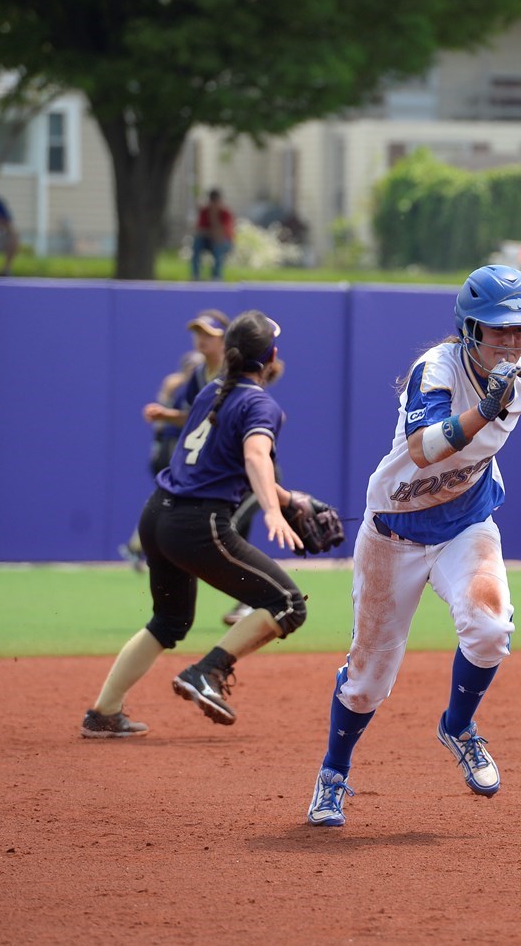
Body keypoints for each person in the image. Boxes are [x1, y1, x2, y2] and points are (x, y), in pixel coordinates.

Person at [306, 263, 521, 827]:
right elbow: (426, 449)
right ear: (468, 330)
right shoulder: (435, 370)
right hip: (394, 533)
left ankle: (458, 727)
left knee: (490, 627)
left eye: (520, 328)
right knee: (367, 680)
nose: (510, 340)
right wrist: (488, 408)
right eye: (495, 328)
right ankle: (334, 772)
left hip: (465, 524)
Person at [81, 310, 314, 739]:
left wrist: (291, 498)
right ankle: (206, 672)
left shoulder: (211, 390)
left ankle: (104, 713)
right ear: (272, 357)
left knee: (169, 621)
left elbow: (227, 461)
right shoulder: (261, 403)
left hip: (158, 514)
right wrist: (271, 510)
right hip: (196, 521)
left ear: (228, 354)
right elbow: (255, 457)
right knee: (287, 604)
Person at [134, 310, 263, 625]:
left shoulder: (239, 372)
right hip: (221, 476)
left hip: (248, 476)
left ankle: (257, 599)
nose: (201, 338)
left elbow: (253, 419)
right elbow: (194, 416)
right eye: (198, 333)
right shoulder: (198, 376)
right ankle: (251, 599)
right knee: (216, 534)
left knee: (224, 533)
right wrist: (167, 415)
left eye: (209, 333)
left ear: (225, 338)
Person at [118, 348, 205, 571]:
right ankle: (144, 547)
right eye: (194, 366)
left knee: (168, 500)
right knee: (170, 500)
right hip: (172, 450)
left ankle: (138, 546)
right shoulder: (185, 388)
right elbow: (175, 422)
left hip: (169, 449)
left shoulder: (180, 387)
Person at [190, 188, 236, 281]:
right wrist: (210, 232)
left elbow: (220, 235)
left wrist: (214, 217)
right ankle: (195, 275)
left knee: (217, 245)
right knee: (197, 242)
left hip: (224, 242)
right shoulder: (204, 212)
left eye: (216, 201)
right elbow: (199, 230)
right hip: (207, 240)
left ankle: (216, 276)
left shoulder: (225, 214)